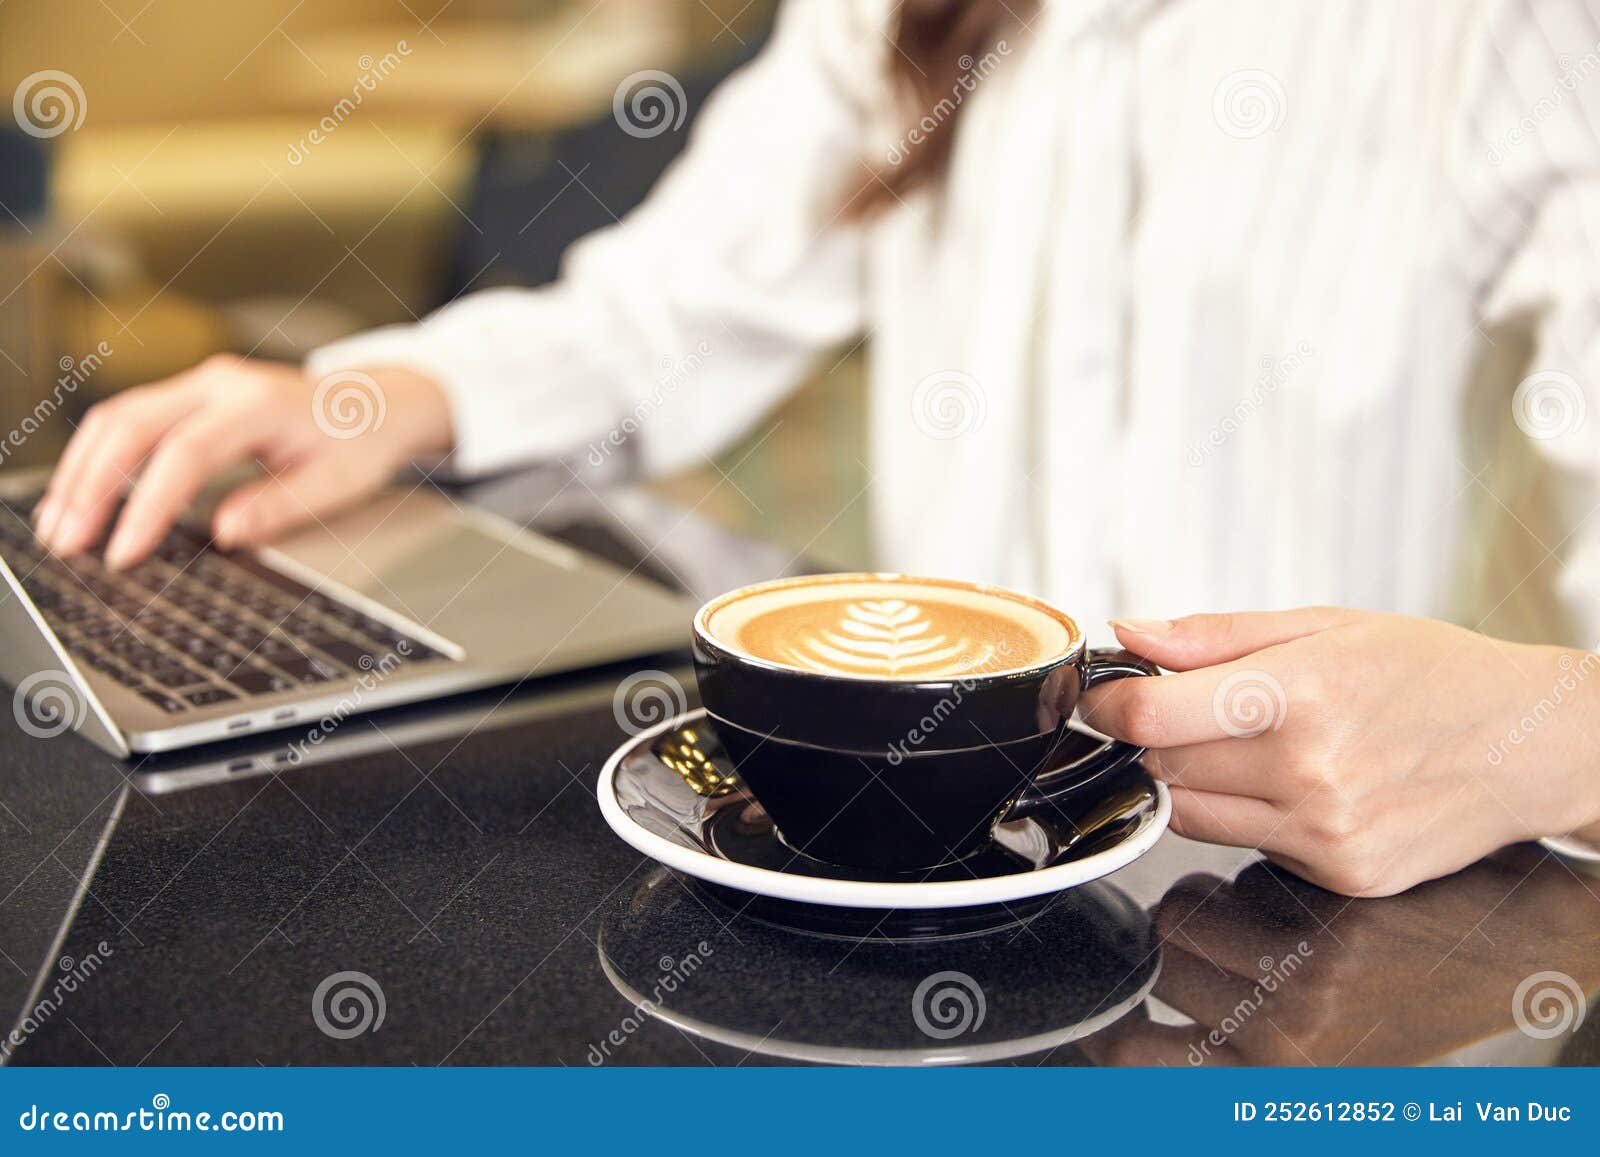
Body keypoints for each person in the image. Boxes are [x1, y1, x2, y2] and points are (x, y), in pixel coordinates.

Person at [30, 0, 1600, 893]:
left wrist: (1537, 726)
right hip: (899, 867)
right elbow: (672, 302)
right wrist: (376, 396)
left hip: (1286, 910)